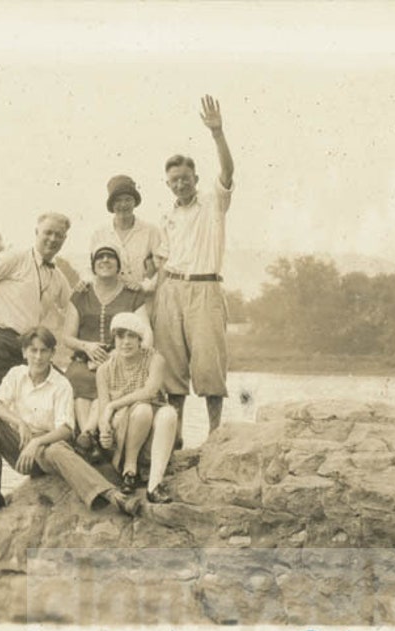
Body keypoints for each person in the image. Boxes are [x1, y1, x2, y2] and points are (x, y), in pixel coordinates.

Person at [0, 327, 142, 520]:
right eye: (33, 351)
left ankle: (113, 496)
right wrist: (19, 423)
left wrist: (37, 442)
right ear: (24, 352)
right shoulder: (16, 374)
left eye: (44, 351)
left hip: (49, 450)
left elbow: (66, 430)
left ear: (52, 353)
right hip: (20, 448)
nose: (38, 357)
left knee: (54, 449)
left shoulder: (61, 384)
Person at [152, 95, 235, 446]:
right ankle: (178, 436)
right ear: (167, 183)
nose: (181, 184)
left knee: (208, 365)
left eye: (186, 178)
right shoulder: (167, 216)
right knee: (172, 367)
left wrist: (217, 133)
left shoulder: (214, 202)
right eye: (174, 179)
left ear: (195, 178)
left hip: (205, 288)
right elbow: (160, 259)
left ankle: (215, 435)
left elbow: (228, 172)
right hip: (170, 290)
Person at [0, 213, 73, 415]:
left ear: (65, 239)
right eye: (48, 232)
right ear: (36, 232)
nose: (52, 239)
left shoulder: (58, 277)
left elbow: (76, 309)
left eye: (59, 235)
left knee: (61, 388)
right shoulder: (17, 258)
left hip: (28, 349)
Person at [60, 243, 147, 455]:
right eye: (100, 257)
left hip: (119, 360)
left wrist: (118, 353)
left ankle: (90, 433)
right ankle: (89, 440)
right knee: (78, 377)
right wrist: (86, 346)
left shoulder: (132, 294)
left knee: (106, 381)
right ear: (93, 265)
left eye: (111, 257)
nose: (105, 260)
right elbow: (66, 337)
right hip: (84, 359)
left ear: (119, 265)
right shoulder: (80, 294)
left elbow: (145, 331)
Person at [95, 312, 177, 504]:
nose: (126, 342)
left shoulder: (155, 359)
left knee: (168, 414)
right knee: (142, 411)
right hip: (124, 433)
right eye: (120, 336)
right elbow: (102, 412)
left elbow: (149, 392)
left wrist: (113, 405)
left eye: (132, 336)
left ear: (140, 340)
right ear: (113, 339)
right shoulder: (104, 369)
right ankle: (129, 470)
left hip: (152, 431)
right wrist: (104, 431)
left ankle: (154, 485)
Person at [89, 175, 163, 292]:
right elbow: (92, 269)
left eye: (128, 199)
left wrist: (145, 285)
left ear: (135, 202)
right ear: (111, 204)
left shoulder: (151, 231)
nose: (123, 205)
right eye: (118, 200)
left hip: (144, 298)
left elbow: (162, 268)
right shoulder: (100, 234)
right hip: (112, 298)